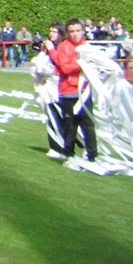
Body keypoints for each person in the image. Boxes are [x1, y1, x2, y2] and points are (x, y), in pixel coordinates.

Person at [50, 19, 97, 162]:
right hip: (68, 91)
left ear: (83, 31)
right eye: (72, 31)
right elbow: (65, 68)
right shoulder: (64, 47)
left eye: (78, 31)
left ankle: (93, 156)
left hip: (84, 91)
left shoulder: (87, 47)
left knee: (88, 124)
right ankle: (68, 154)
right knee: (70, 125)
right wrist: (82, 64)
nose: (75, 34)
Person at [29, 25, 66, 157]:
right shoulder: (46, 46)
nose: (51, 34)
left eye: (54, 31)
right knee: (50, 114)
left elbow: (62, 65)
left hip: (59, 85)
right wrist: (39, 75)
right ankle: (55, 146)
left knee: (61, 115)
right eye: (50, 31)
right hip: (47, 85)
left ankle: (65, 146)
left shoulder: (62, 47)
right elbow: (39, 63)